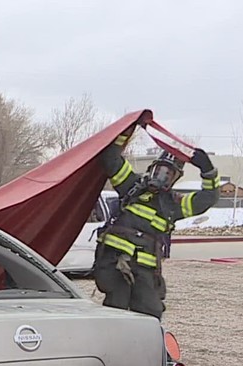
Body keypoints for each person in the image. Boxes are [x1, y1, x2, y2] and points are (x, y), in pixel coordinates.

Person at [94, 129, 219, 319]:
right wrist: (127, 131)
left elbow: (208, 198)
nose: (161, 177)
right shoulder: (131, 185)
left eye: (168, 174)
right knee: (116, 309)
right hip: (114, 260)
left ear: (175, 179)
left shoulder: (173, 205)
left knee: (150, 312)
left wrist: (208, 172)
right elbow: (111, 158)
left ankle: (146, 345)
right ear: (151, 169)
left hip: (144, 269)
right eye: (159, 171)